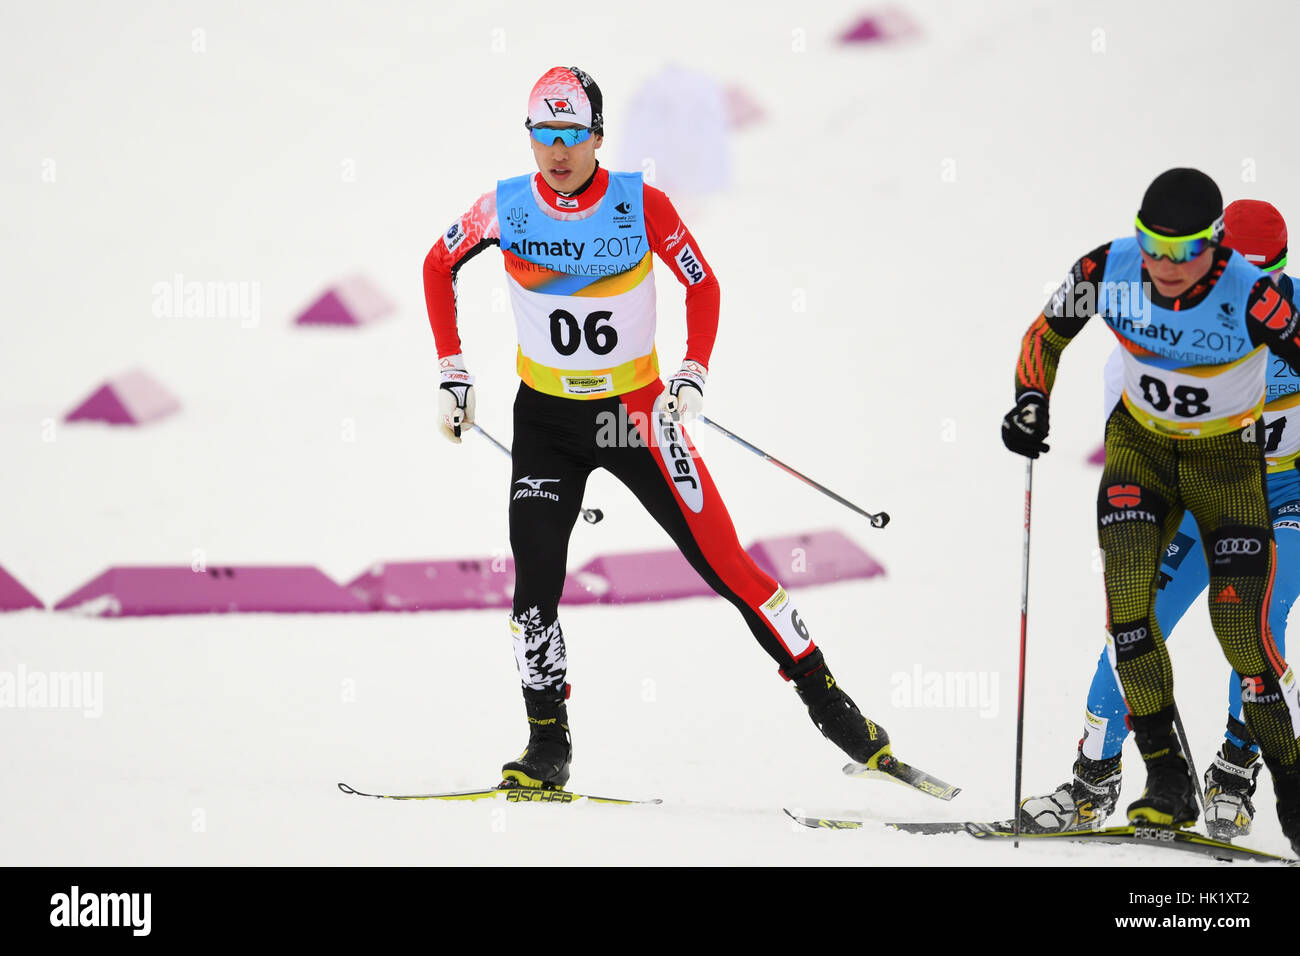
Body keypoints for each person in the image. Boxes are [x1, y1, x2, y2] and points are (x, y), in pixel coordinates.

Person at [422, 66, 890, 789]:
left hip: (635, 415)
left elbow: (702, 282)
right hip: (546, 421)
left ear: (599, 137)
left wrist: (692, 371)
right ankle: (548, 744)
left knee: (727, 565)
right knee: (534, 586)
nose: (557, 151)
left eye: (572, 135)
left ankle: (834, 709)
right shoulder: (505, 207)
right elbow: (436, 263)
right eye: (544, 135)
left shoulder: (641, 205)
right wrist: (454, 370)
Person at [1001, 168, 1300, 852]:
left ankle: (1234, 771)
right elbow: (1117, 409)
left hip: (1282, 494)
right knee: (1133, 622)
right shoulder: (1146, 303)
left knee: (1260, 619)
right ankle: (1094, 778)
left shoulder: (1273, 311)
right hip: (1195, 485)